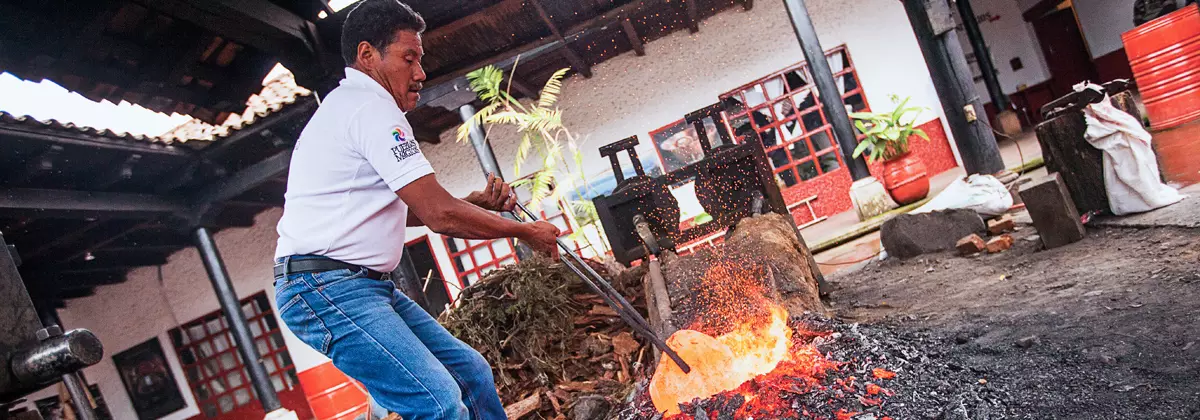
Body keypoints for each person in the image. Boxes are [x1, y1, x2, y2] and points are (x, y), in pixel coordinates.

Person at [271, 1, 561, 418]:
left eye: (420, 61)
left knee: (471, 374)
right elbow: (439, 214)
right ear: (368, 55)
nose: (420, 73)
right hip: (325, 287)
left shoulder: (352, 107)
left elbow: (404, 210)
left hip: (359, 286)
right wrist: (524, 232)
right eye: (409, 59)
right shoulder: (369, 108)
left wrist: (471, 205)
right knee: (438, 402)